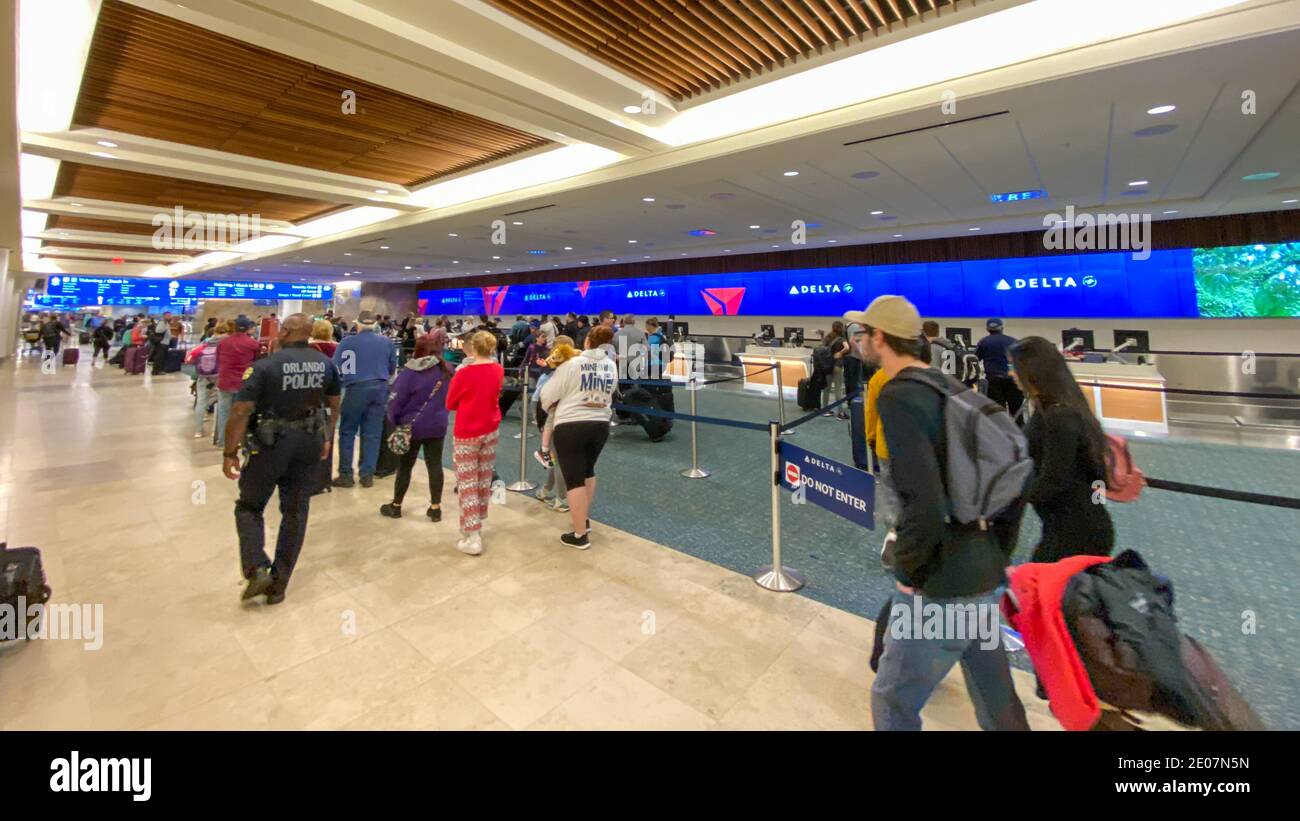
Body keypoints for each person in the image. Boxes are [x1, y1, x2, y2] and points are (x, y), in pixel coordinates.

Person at [844, 295, 1028, 732]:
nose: (860, 342)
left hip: (940, 580)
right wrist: (997, 551)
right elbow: (1017, 477)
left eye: (864, 334)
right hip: (982, 568)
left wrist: (908, 576)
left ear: (880, 338)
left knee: (892, 699)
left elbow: (922, 502)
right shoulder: (949, 388)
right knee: (997, 702)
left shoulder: (899, 396)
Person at [222, 314, 341, 605]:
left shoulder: (264, 367)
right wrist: (327, 437)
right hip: (309, 441)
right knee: (296, 511)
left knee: (249, 506)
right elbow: (334, 404)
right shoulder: (325, 364)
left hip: (271, 443)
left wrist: (229, 452)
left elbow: (241, 411)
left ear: (285, 332)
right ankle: (280, 583)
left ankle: (256, 567)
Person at [1009, 337, 1115, 563]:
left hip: (1073, 533)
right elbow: (1099, 477)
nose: (1012, 374)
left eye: (1015, 368)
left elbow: (1053, 481)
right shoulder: (1062, 408)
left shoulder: (1059, 418)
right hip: (1075, 524)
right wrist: (1097, 506)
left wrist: (1010, 494)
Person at [538, 324, 618, 550]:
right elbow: (611, 392)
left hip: (571, 425)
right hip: (600, 425)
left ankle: (579, 534)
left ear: (587, 342)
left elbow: (548, 395)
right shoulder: (611, 365)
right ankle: (582, 519)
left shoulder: (572, 364)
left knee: (573, 478)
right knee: (588, 471)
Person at [381, 331, 454, 522]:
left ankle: (396, 505)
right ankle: (435, 507)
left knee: (405, 467)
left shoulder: (409, 373)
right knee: (435, 464)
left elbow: (395, 403)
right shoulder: (447, 371)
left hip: (410, 426)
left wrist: (395, 422)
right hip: (438, 425)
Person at [444, 330, 505, 555]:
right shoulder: (497, 369)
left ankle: (472, 534)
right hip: (490, 429)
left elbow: (450, 402)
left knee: (467, 481)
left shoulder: (464, 373)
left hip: (468, 430)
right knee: (483, 478)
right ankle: (478, 520)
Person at [331, 310, 398, 488]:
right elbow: (392, 367)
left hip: (355, 389)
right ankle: (367, 474)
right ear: (375, 324)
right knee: (372, 434)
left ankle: (346, 474)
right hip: (380, 389)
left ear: (358, 324)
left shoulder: (347, 343)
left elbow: (340, 369)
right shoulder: (386, 342)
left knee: (347, 432)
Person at [533, 336, 580, 508]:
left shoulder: (557, 368)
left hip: (554, 412)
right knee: (555, 456)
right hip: (572, 414)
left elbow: (545, 395)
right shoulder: (576, 366)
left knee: (558, 458)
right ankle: (547, 489)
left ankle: (562, 499)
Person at [214, 317, 261, 449]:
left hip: (225, 381)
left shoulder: (223, 343)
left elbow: (218, 359)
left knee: (224, 412)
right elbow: (257, 363)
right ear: (248, 328)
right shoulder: (253, 344)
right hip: (243, 383)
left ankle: (223, 441)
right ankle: (240, 440)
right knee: (242, 413)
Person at [186, 320, 229, 439]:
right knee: (222, 401)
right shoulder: (227, 343)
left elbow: (189, 358)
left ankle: (198, 431)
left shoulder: (206, 342)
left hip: (203, 376)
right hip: (219, 375)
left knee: (201, 402)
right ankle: (218, 434)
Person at [976, 318, 1023, 420]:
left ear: (988, 329)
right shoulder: (1013, 341)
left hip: (993, 381)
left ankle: (998, 433)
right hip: (1012, 380)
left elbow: (975, 360)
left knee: (997, 413)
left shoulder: (983, 342)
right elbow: (1021, 360)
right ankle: (1018, 432)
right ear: (1001, 328)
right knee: (1016, 411)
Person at [820, 321, 851, 418]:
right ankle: (840, 412)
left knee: (826, 389)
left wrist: (821, 335)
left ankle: (824, 410)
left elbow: (823, 346)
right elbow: (847, 347)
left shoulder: (828, 337)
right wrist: (840, 353)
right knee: (838, 389)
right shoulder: (841, 338)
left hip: (827, 366)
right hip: (837, 365)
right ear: (841, 328)